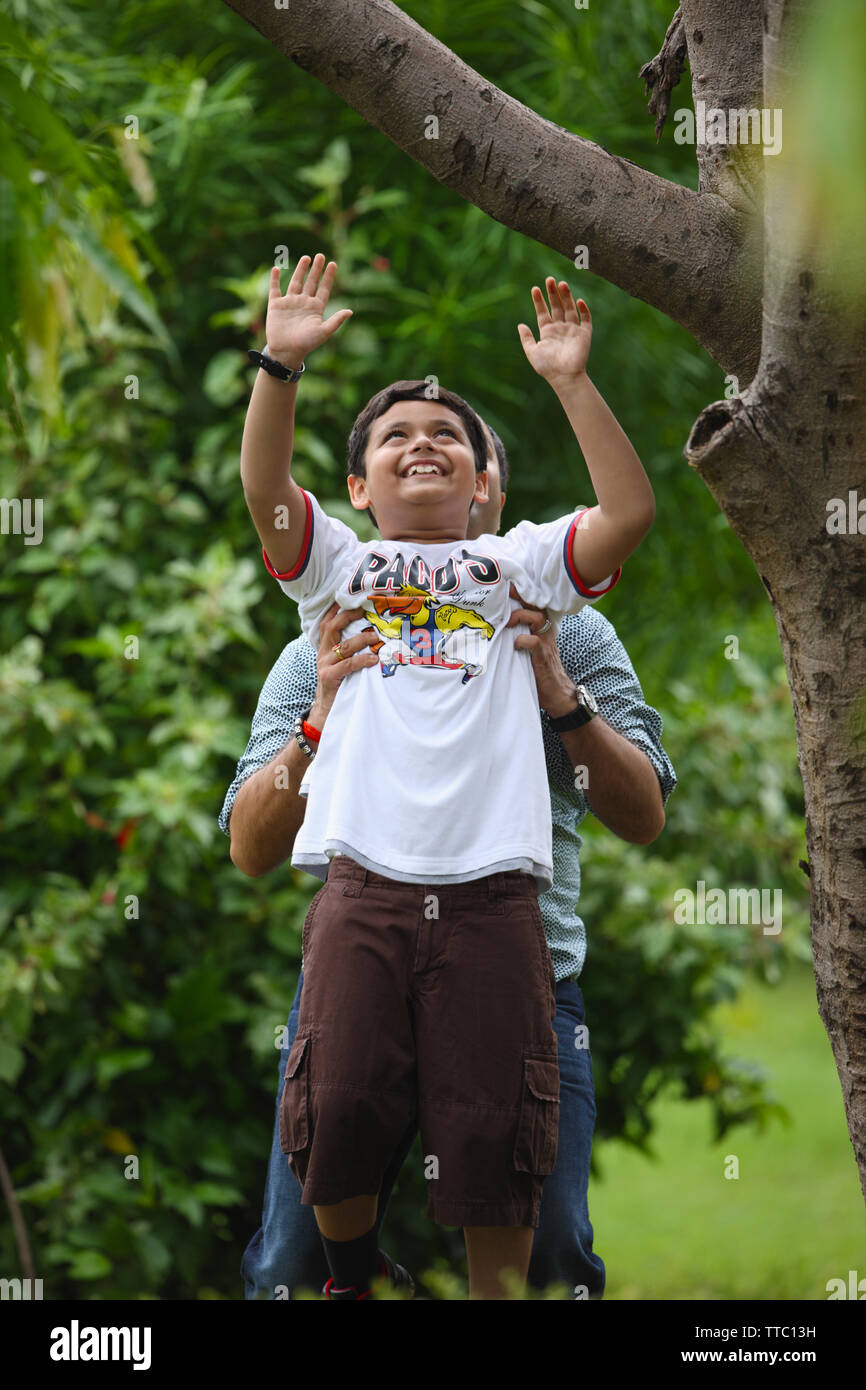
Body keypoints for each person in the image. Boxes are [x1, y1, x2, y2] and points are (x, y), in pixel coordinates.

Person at [233, 252, 658, 1299]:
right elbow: (264, 491)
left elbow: (626, 514)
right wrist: (278, 368)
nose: (421, 441)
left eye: (448, 435)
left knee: (508, 1187)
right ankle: (349, 1274)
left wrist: (572, 382)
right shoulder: (335, 595)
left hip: (506, 918)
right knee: (323, 1156)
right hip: (366, 894)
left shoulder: (530, 588)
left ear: (487, 485)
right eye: (394, 435)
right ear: (355, 489)